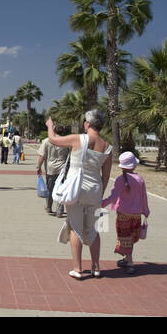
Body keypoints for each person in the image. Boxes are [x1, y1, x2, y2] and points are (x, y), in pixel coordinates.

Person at [46, 111, 114, 280]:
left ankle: (77, 269)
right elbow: (106, 176)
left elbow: (53, 140)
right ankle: (96, 267)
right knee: (93, 229)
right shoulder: (108, 147)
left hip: (76, 190)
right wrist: (100, 194)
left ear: (88, 124)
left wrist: (49, 127)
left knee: (75, 228)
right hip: (95, 190)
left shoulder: (79, 139)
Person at [102, 151, 150, 274]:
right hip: (136, 214)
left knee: (125, 237)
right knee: (131, 237)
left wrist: (102, 203)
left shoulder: (120, 180)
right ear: (134, 165)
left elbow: (113, 197)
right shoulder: (140, 179)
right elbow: (144, 196)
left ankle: (129, 262)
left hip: (123, 214)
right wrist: (145, 211)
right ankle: (126, 259)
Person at [35, 124, 72, 217]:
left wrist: (38, 166)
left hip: (50, 168)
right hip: (62, 169)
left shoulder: (47, 141)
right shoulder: (66, 141)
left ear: (54, 131)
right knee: (61, 189)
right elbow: (69, 156)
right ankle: (59, 211)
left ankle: (49, 207)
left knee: (49, 188)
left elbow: (42, 156)